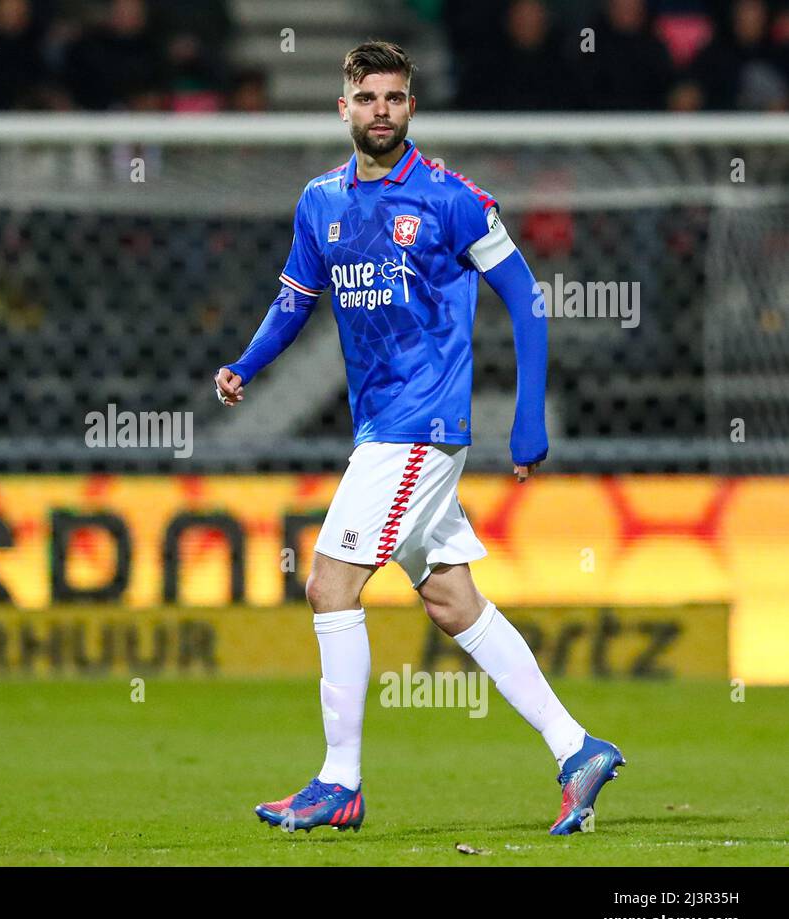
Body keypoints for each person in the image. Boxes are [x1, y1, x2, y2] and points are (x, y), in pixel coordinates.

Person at [213, 40, 625, 837]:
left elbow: (525, 297)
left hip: (421, 426)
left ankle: (340, 783)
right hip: (381, 425)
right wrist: (246, 365)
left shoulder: (450, 197)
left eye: (395, 98)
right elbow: (294, 301)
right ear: (343, 107)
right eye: (368, 98)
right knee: (450, 599)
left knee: (329, 584)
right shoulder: (320, 201)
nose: (382, 111)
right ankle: (577, 748)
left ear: (411, 106)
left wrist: (528, 417)